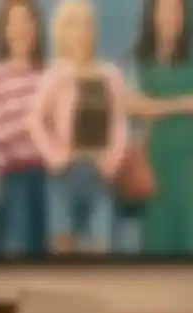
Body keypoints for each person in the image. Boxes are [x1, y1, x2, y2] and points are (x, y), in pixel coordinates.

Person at [26, 0, 128, 255]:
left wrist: (113, 161)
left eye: (87, 25)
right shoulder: (55, 75)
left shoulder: (110, 74)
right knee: (63, 247)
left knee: (102, 245)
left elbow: (119, 122)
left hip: (100, 172)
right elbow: (33, 120)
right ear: (61, 33)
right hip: (64, 174)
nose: (82, 33)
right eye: (73, 26)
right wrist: (54, 156)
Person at [128, 0, 193, 255]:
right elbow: (133, 106)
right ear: (152, 14)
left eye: (176, 9)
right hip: (153, 174)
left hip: (192, 170)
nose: (170, 16)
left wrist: (155, 106)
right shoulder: (138, 59)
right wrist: (187, 103)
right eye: (163, 9)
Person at [0, 0, 48, 257]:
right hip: (12, 179)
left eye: (27, 21)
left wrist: (32, 127)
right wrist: (37, 127)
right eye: (14, 22)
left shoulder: (49, 73)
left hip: (49, 177)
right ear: (4, 30)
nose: (22, 28)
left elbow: (60, 126)